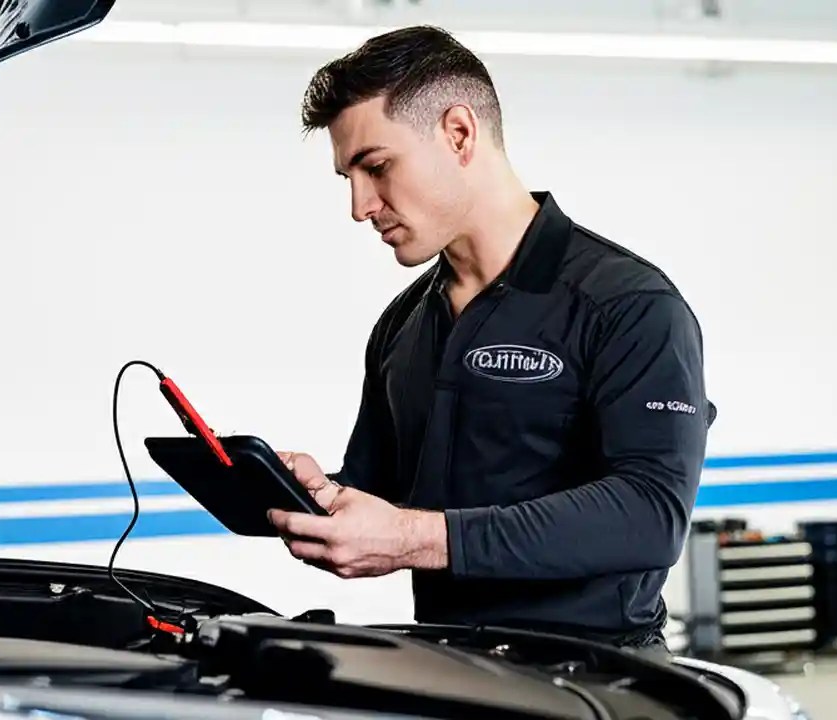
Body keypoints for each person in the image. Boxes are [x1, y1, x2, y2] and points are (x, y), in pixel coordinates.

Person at [266, 25, 716, 655]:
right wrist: (319, 496)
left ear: (459, 133)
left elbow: (650, 516)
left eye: (376, 167)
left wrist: (415, 539)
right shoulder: (402, 327)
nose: (360, 205)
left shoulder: (629, 305)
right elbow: (389, 498)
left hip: (597, 678)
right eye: (349, 177)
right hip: (452, 671)